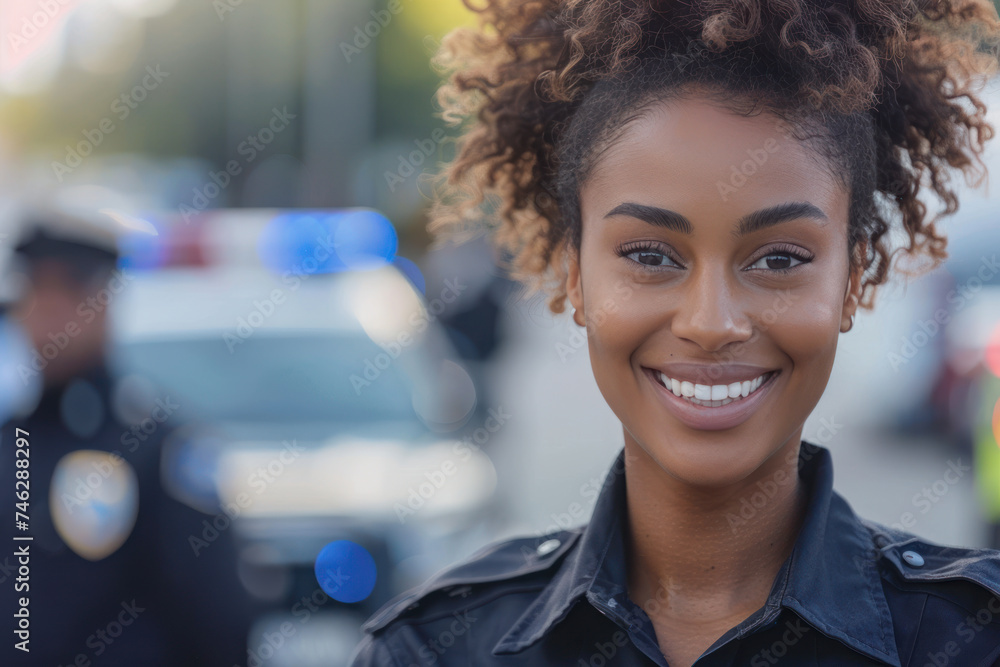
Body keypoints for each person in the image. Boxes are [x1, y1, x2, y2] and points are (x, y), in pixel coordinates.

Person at [348, 0, 1000, 665]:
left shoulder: (975, 640)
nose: (710, 323)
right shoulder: (431, 649)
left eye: (779, 259)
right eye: (651, 256)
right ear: (574, 275)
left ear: (853, 280)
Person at [0, 204, 257, 665]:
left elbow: (216, 617)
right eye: (38, 290)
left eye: (69, 292)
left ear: (103, 303)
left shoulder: (161, 449)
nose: (49, 312)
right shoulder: (10, 442)